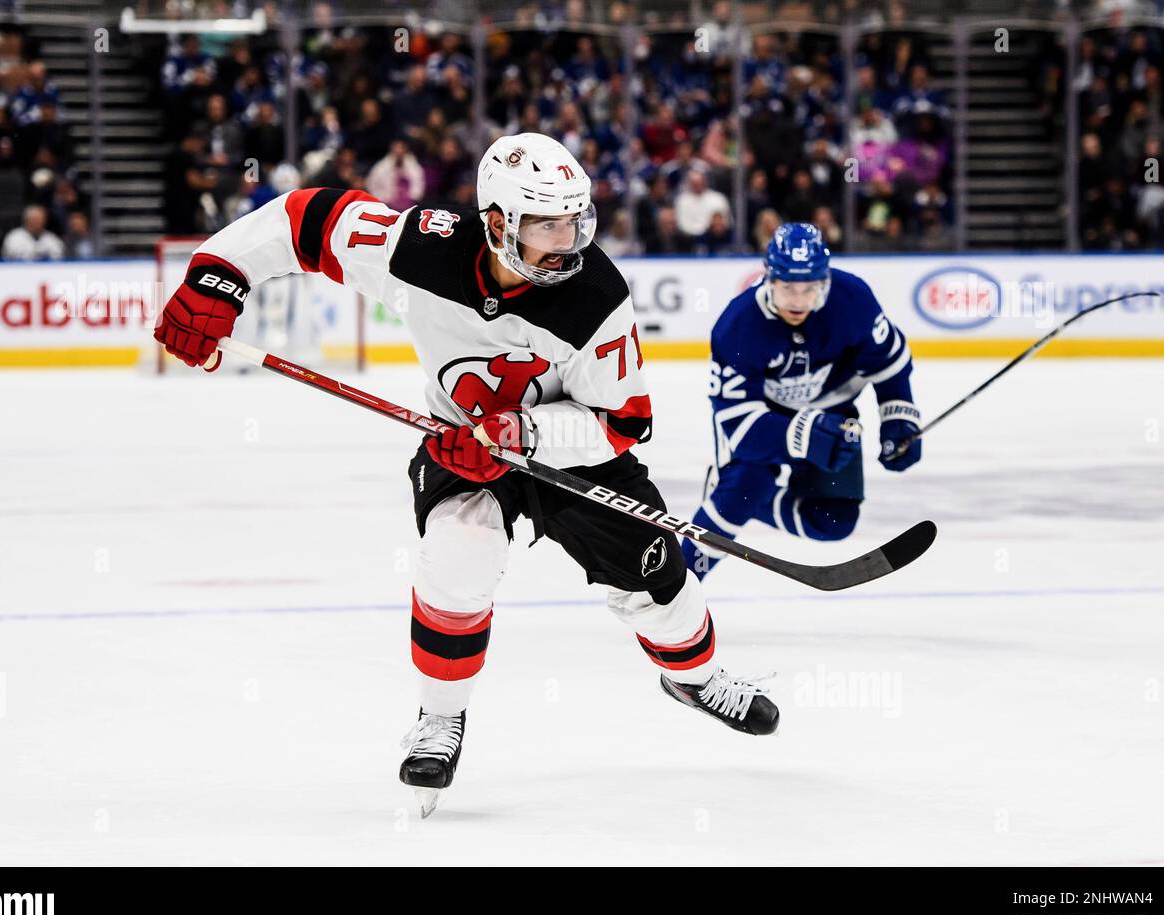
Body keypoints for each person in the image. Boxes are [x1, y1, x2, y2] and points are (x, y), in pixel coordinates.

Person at [153, 132, 780, 815]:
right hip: (460, 444)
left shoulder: (596, 293)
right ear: (497, 224)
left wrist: (524, 433)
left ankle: (697, 679)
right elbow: (303, 219)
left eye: (574, 218)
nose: (567, 237)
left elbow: (622, 420)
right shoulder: (419, 248)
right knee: (459, 551)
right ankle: (440, 717)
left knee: (659, 583)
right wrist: (217, 274)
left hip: (573, 452)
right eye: (546, 222)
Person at [682, 223, 922, 580]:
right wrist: (802, 435)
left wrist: (897, 418)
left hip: (832, 411)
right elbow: (738, 425)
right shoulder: (737, 325)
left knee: (833, 522)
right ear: (769, 279)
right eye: (787, 288)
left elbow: (890, 364)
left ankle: (748, 497)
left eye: (809, 288)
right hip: (764, 419)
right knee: (744, 489)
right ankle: (678, 582)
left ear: (823, 281)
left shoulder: (852, 300)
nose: (798, 300)